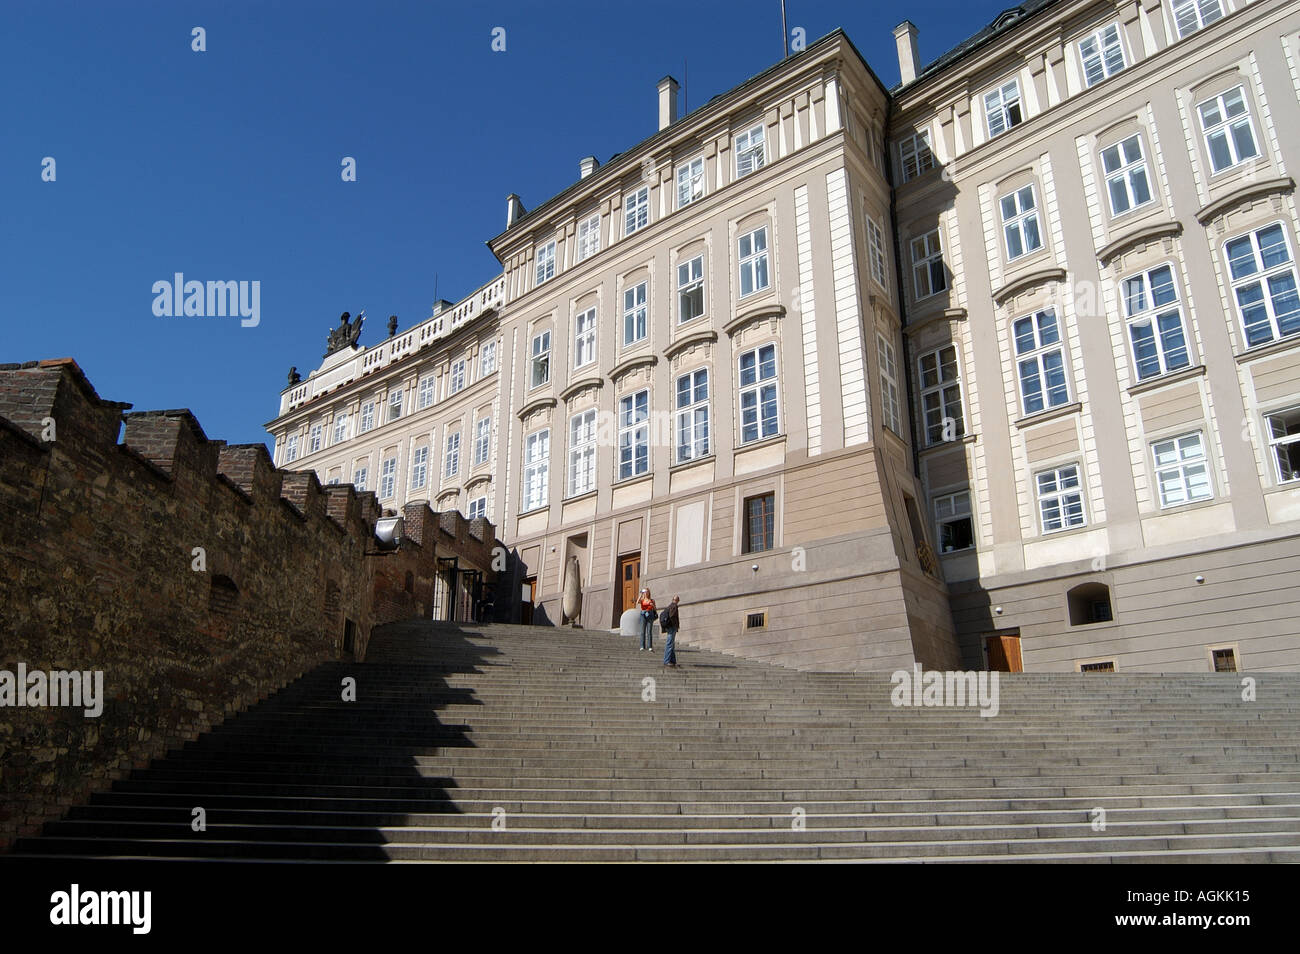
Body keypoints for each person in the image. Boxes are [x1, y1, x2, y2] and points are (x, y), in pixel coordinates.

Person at [661, 596, 681, 667]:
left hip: (670, 627)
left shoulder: (669, 606)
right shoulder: (674, 606)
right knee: (669, 644)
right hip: (672, 627)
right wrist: (675, 625)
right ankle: (666, 660)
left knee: (671, 644)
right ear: (678, 600)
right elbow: (672, 616)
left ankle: (673, 660)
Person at [637, 587, 656, 651]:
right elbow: (637, 602)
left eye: (647, 592)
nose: (646, 593)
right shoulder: (642, 600)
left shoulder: (652, 600)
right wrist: (641, 595)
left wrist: (652, 605)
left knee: (649, 631)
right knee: (643, 631)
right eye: (645, 592)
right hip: (643, 615)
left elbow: (655, 609)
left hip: (650, 615)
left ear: (649, 593)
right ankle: (642, 646)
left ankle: (650, 646)